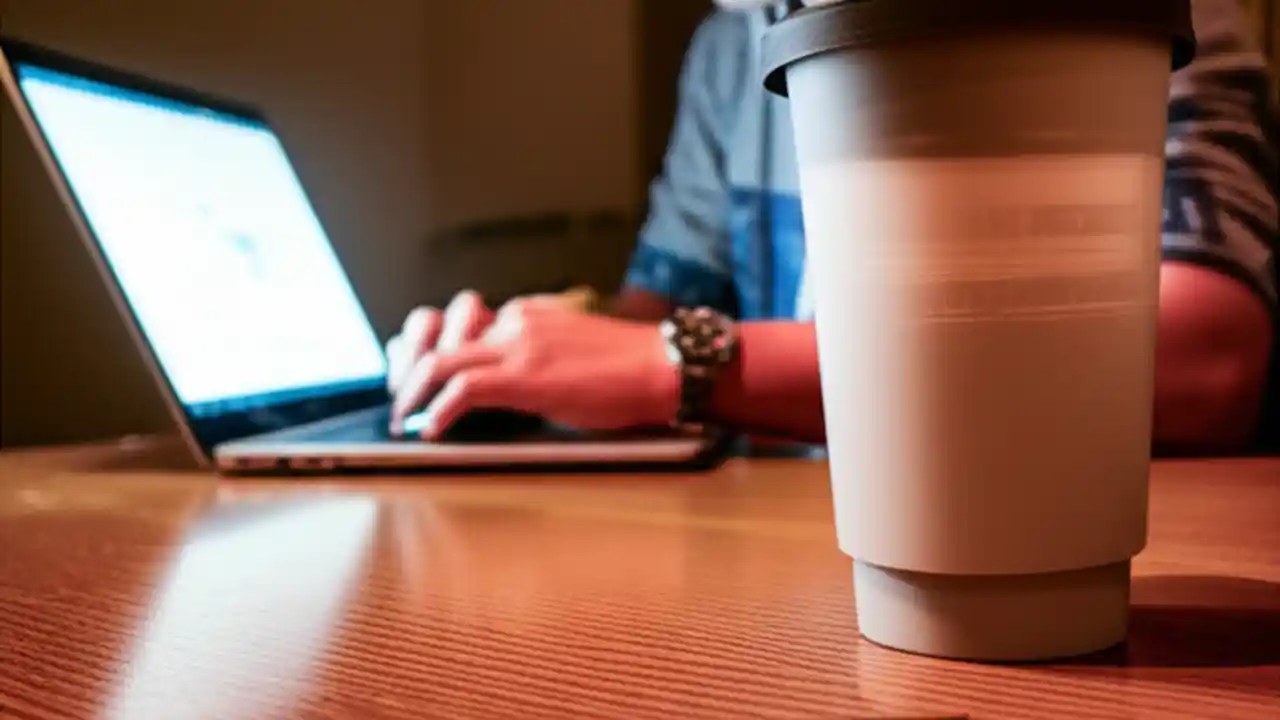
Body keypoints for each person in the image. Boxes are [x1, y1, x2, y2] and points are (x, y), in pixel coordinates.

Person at [386, 0, 1278, 454]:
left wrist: (687, 364)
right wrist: (510, 355)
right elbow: (652, 314)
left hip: (1062, 543)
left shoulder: (1131, 16)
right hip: (787, 552)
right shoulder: (735, 43)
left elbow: (1206, 354)